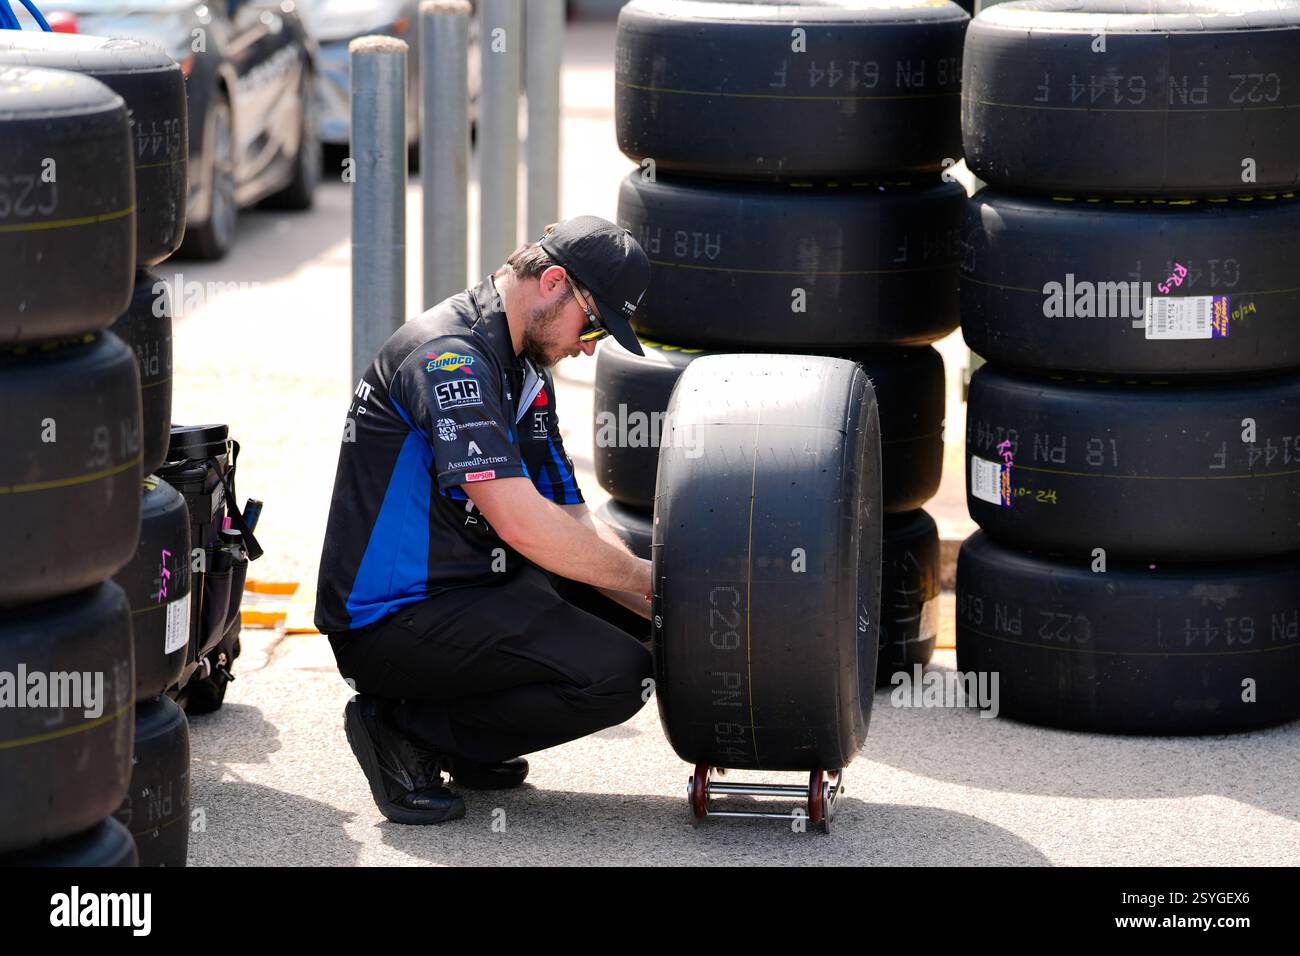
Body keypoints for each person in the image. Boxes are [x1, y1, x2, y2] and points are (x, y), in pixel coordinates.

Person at [315, 216, 655, 824]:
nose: (590, 345)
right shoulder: (450, 359)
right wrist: (642, 580)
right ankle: (405, 730)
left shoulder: (522, 368)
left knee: (639, 626)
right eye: (596, 323)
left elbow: (572, 516)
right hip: (391, 622)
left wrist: (665, 596)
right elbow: (523, 523)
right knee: (618, 675)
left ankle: (467, 738)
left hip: (468, 591)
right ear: (553, 282)